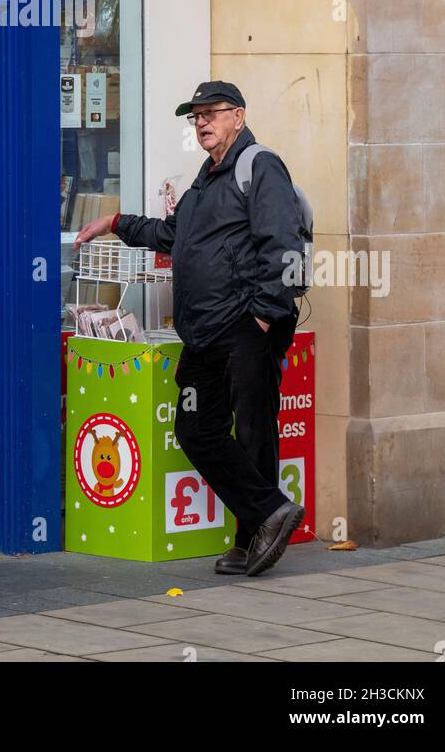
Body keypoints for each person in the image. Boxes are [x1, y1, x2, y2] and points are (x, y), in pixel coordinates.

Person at [76, 81, 304, 578]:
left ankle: (250, 538)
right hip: (204, 332)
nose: (201, 122)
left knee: (252, 431)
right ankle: (268, 512)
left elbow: (285, 246)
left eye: (211, 113)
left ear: (238, 117)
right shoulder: (205, 177)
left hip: (247, 326)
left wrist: (264, 313)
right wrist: (116, 221)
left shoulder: (259, 165)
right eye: (195, 115)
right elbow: (172, 235)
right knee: (196, 428)